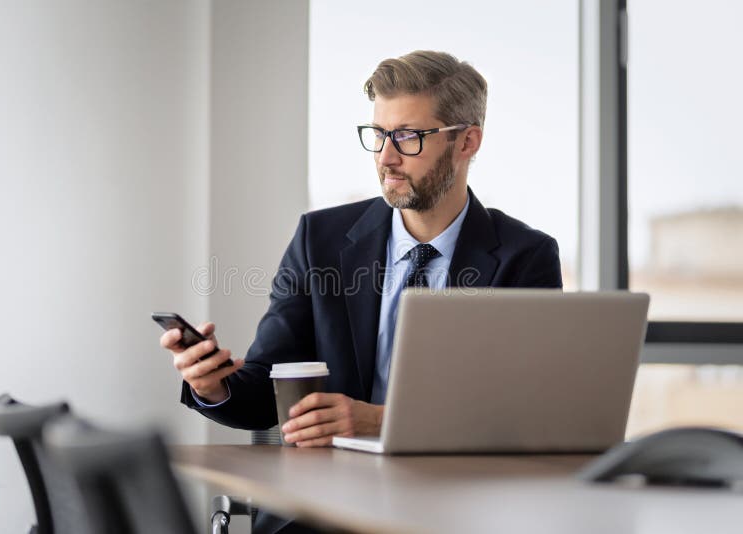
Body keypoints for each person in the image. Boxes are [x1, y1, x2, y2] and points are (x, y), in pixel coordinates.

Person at [161, 48, 561, 532]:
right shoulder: (320, 240)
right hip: (321, 512)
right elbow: (268, 392)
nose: (386, 157)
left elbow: (521, 420)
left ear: (467, 142)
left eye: (409, 136)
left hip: (456, 507)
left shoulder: (524, 257)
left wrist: (380, 421)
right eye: (378, 135)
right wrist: (213, 384)